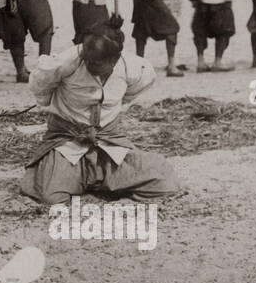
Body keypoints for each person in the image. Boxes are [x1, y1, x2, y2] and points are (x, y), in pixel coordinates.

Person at [20, 14, 182, 205]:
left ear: (113, 61)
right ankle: (76, 176)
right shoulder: (67, 62)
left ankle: (93, 179)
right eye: (86, 59)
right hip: (69, 141)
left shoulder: (132, 68)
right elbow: (40, 84)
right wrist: (55, 107)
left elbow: (133, 91)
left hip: (107, 141)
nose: (87, 65)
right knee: (52, 196)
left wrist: (108, 112)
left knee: (164, 182)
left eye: (95, 63)